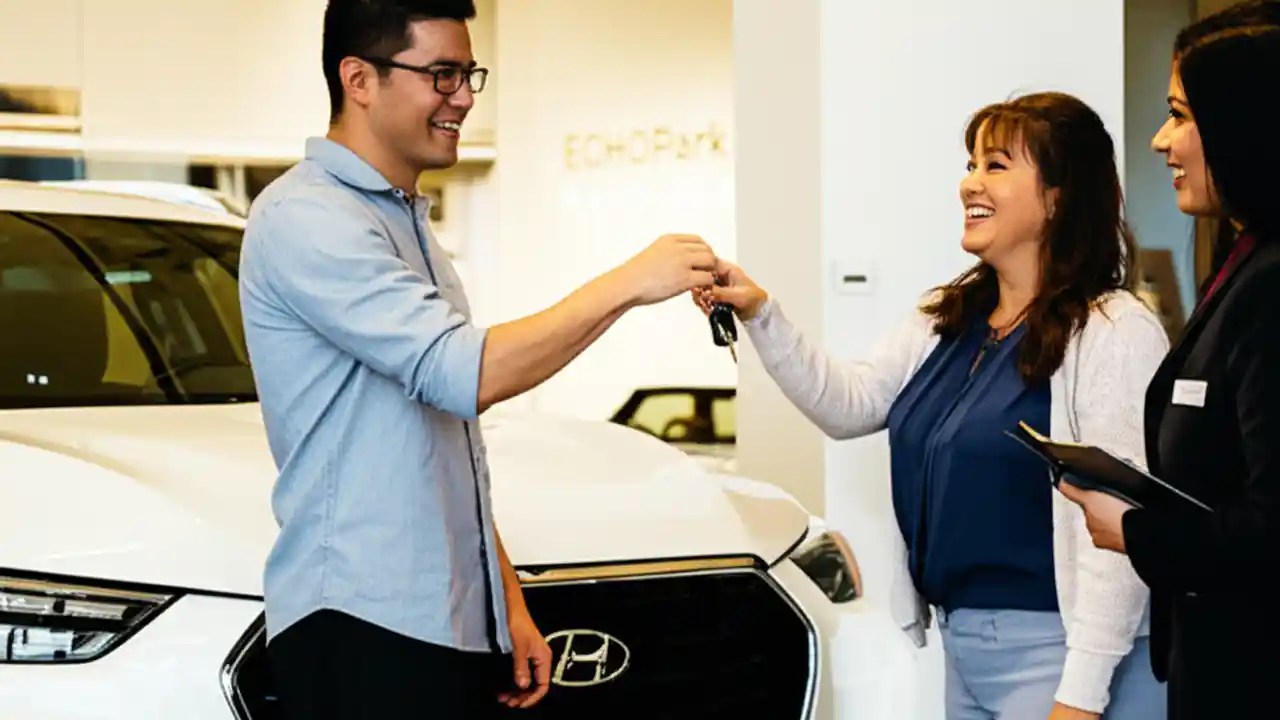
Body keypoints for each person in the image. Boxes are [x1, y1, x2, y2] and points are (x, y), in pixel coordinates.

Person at [237, 1, 716, 717]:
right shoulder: (308, 217)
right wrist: (628, 283)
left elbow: (439, 445)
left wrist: (505, 601)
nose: (463, 97)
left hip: (442, 626)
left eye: (468, 74)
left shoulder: (400, 220)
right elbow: (467, 373)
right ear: (358, 78)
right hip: (361, 626)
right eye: (441, 74)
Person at [696, 92, 1168, 719]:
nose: (969, 183)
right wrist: (761, 313)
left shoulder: (1112, 329)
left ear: (1058, 196)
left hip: (1063, 656)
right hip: (964, 648)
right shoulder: (949, 316)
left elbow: (1117, 535)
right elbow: (848, 404)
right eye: (970, 164)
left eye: (996, 165)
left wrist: (1078, 699)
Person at [1059, 2, 1280, 718]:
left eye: (1181, 115)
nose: (1160, 140)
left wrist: (1134, 532)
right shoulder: (1244, 262)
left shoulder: (1272, 284)